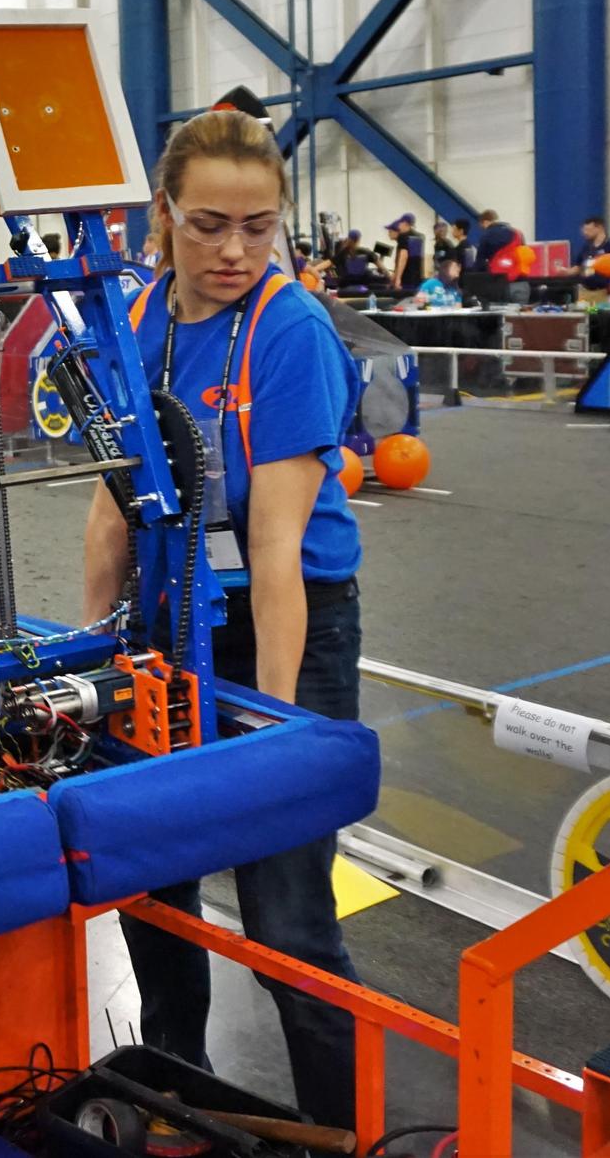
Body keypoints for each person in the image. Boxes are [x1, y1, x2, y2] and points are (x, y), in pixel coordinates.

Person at [81, 108, 364, 1132]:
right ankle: (174, 1098)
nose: (235, 250)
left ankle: (340, 1130)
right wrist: (98, 652)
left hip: (280, 626)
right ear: (163, 215)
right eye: (208, 224)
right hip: (163, 621)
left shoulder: (291, 333)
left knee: (287, 919)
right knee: (153, 884)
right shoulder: (139, 319)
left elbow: (279, 553)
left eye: (258, 225)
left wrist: (274, 738)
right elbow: (114, 503)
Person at [569, 215, 610, 298]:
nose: (585, 233)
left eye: (588, 230)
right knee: (588, 310)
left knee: (595, 311)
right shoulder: (586, 247)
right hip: (586, 292)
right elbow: (578, 267)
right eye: (584, 230)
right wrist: (565, 271)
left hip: (603, 292)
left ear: (599, 228)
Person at [385, 213, 425, 293]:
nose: (399, 226)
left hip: (406, 279)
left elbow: (403, 257)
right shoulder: (419, 237)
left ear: (405, 223)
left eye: (400, 223)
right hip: (417, 278)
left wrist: (398, 278)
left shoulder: (404, 237)